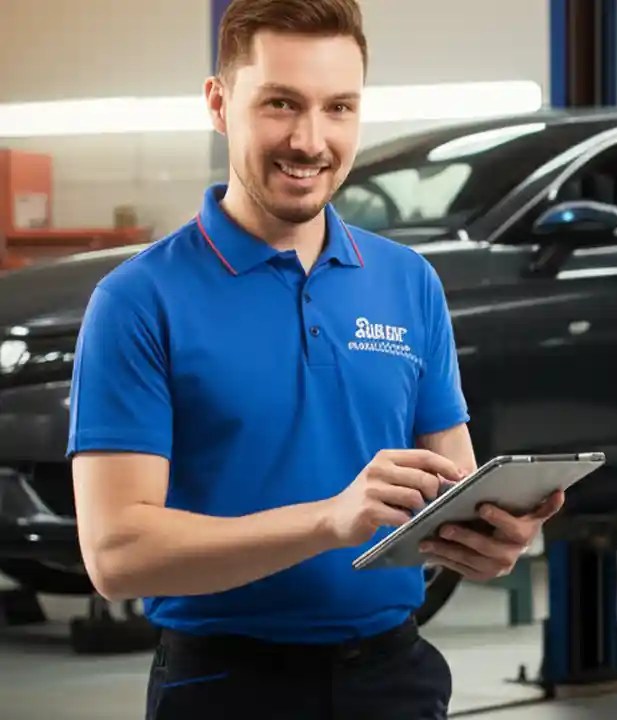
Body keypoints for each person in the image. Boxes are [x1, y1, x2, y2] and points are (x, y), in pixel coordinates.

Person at [66, 0, 564, 717]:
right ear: (218, 103)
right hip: (226, 688)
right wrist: (329, 521)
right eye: (280, 104)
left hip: (396, 677)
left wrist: (490, 537)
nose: (310, 139)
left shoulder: (408, 282)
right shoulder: (139, 301)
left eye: (339, 108)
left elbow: (453, 480)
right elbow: (116, 555)